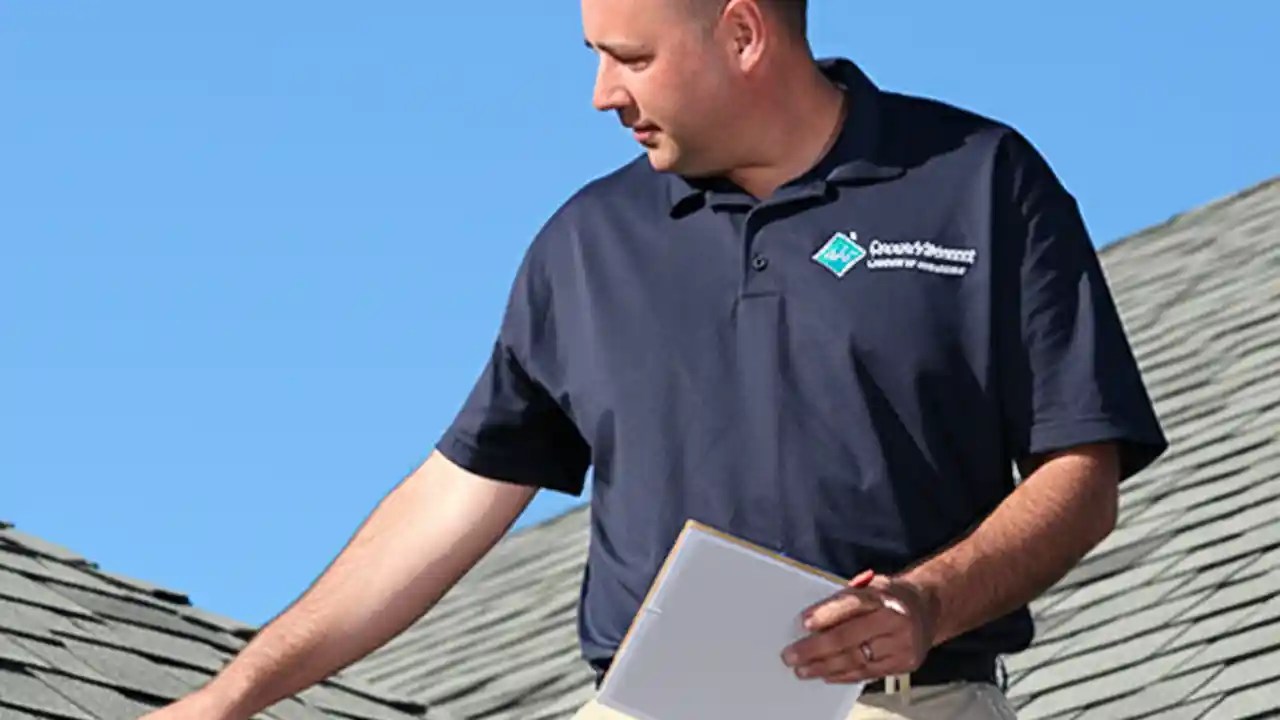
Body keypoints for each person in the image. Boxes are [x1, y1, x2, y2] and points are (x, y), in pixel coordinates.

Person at [145, 1, 1168, 718]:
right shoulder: (584, 247)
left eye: (627, 56)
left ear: (739, 32)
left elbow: (1079, 474)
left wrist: (925, 601)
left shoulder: (978, 182)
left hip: (905, 708)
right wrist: (238, 692)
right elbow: (445, 506)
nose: (599, 92)